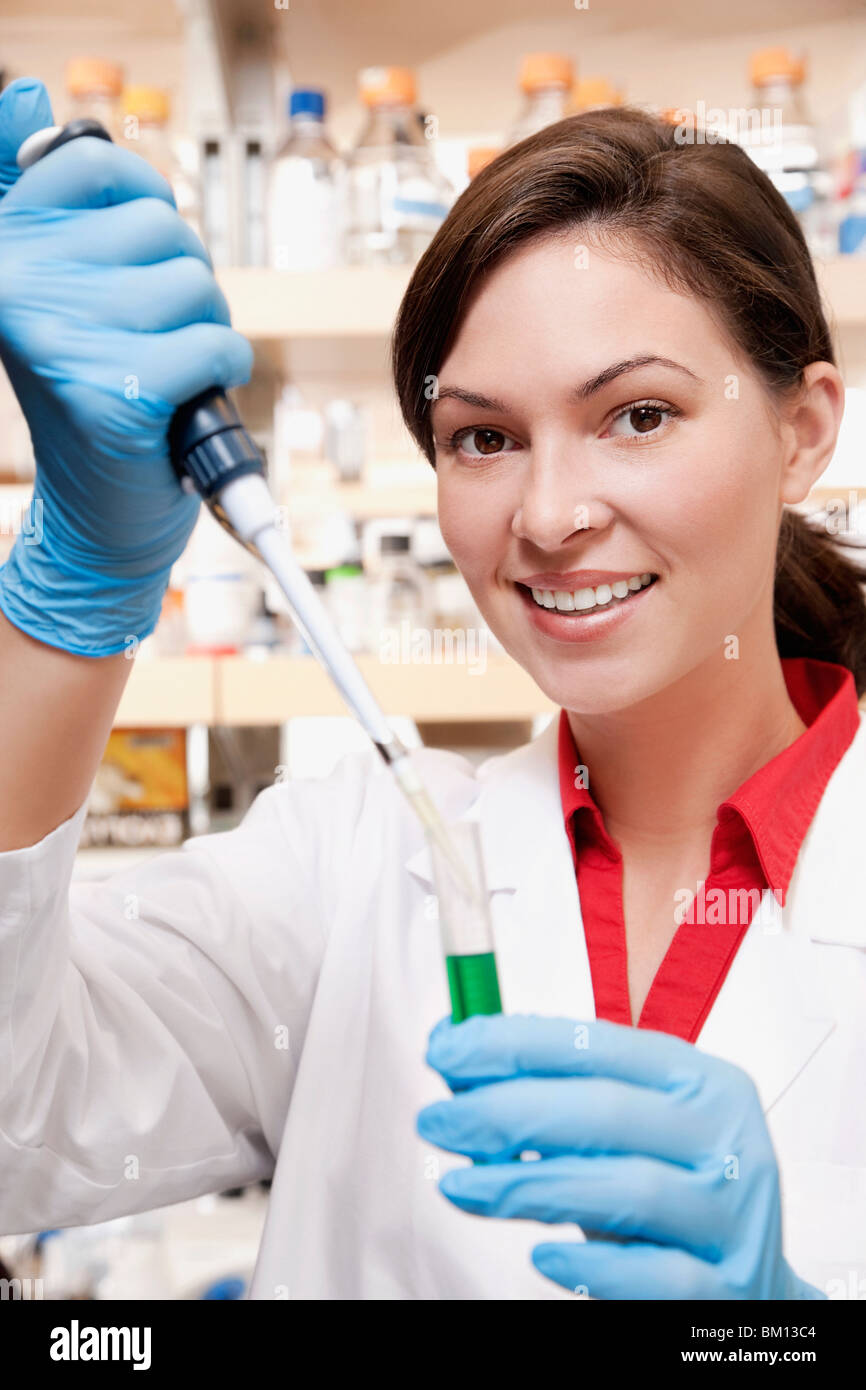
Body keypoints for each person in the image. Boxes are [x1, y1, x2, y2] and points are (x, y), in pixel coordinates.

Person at [0, 77, 863, 1302]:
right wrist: (72, 592)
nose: (551, 516)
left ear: (801, 430)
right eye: (482, 437)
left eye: (638, 414)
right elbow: (11, 1123)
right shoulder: (344, 871)